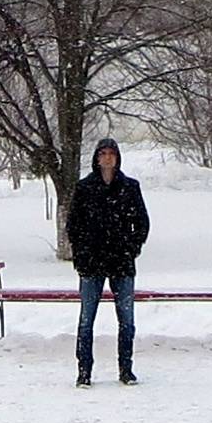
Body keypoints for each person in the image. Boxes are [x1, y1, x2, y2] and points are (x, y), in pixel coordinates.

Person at [64, 137, 149, 386]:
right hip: (92, 263)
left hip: (121, 263)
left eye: (112, 153)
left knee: (127, 320)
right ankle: (84, 371)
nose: (108, 158)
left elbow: (142, 223)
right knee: (86, 320)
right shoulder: (85, 188)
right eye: (103, 153)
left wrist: (131, 248)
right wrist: (81, 253)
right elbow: (74, 226)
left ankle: (126, 369)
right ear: (97, 157)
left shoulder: (130, 187)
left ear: (118, 157)